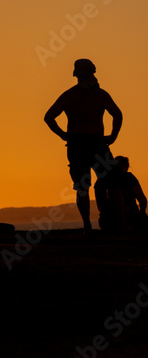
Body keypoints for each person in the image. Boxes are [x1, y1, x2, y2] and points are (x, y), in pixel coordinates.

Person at [44, 59, 123, 233]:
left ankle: (93, 224)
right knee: (106, 183)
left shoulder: (71, 95)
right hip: (92, 144)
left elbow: (49, 117)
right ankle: (114, 223)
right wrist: (113, 136)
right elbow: (117, 115)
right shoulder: (98, 95)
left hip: (81, 144)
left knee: (90, 186)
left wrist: (63, 135)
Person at [99, 156, 147, 233]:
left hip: (107, 221)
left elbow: (101, 205)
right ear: (126, 166)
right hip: (129, 217)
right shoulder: (129, 177)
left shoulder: (102, 180)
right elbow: (142, 200)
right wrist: (142, 214)